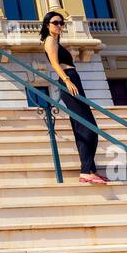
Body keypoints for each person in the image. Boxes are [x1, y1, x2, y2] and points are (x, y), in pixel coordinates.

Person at [40, 11, 107, 185]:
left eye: (62, 23)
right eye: (56, 23)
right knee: (88, 127)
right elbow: (54, 63)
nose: (60, 26)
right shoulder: (50, 40)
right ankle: (86, 171)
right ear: (47, 25)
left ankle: (90, 170)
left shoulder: (57, 41)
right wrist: (67, 80)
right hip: (68, 80)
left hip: (73, 79)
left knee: (84, 126)